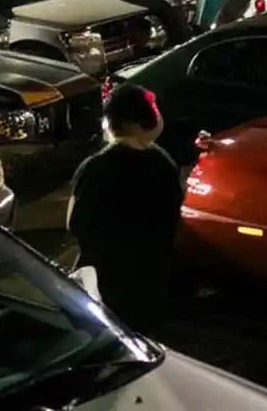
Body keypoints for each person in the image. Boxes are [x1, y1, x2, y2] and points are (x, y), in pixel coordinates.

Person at [67, 84, 184, 334]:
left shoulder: (94, 168)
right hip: (150, 280)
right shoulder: (164, 164)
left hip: (104, 284)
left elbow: (74, 223)